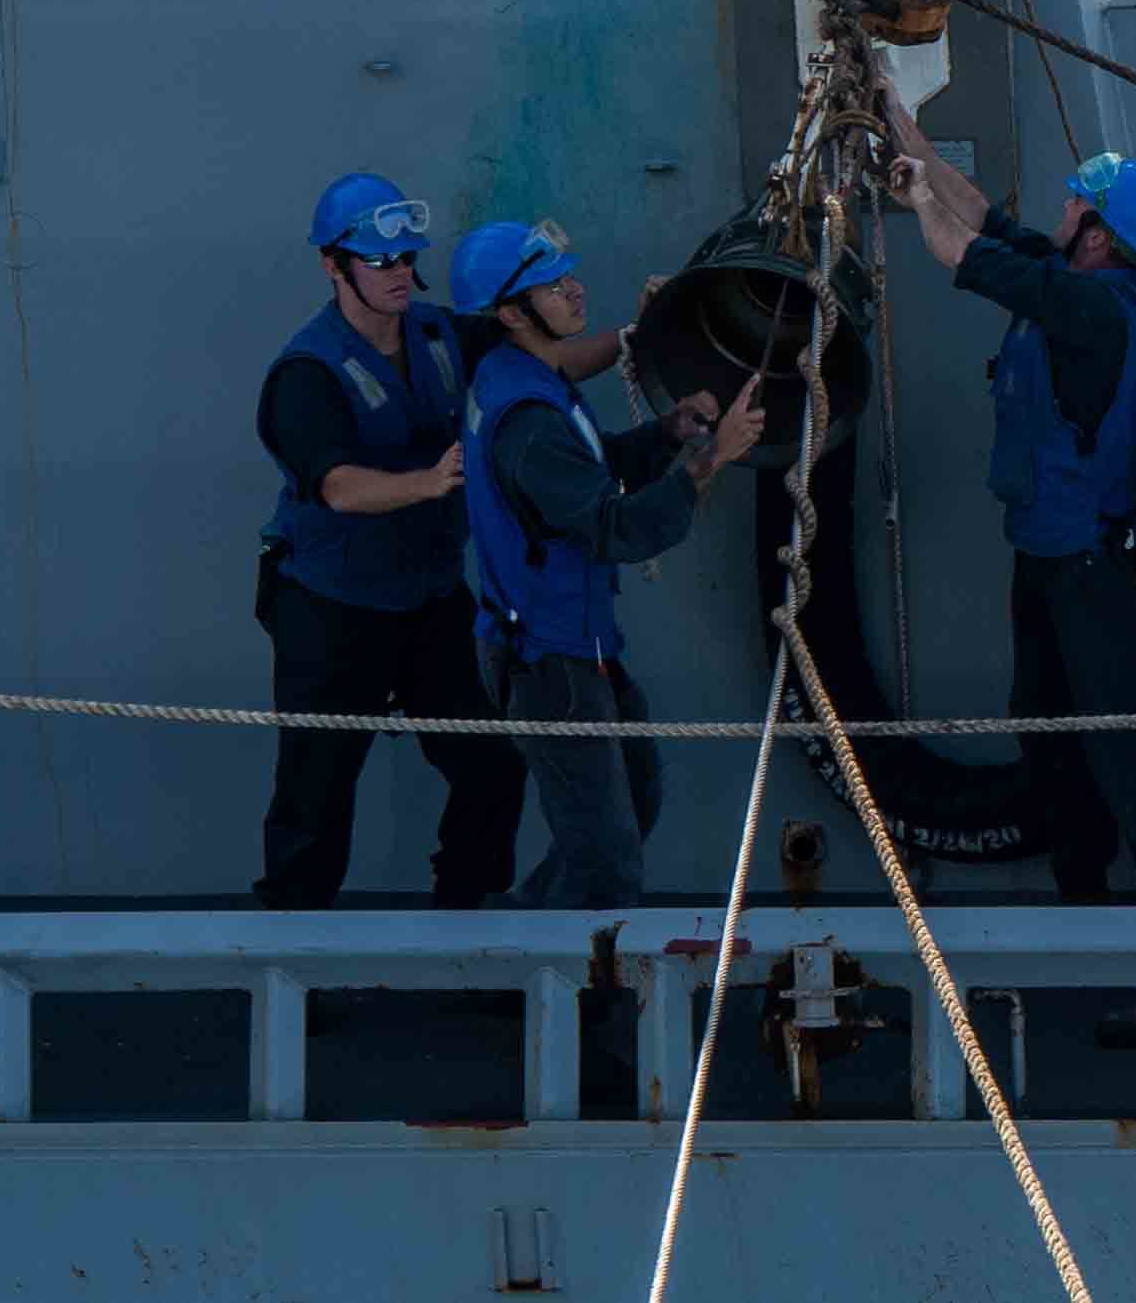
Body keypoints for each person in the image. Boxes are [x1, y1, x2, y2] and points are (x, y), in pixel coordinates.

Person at [913, 149, 1136, 920]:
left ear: (1095, 232)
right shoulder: (1081, 282)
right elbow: (982, 217)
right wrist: (892, 115)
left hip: (1093, 571)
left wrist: (912, 195)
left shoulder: (1088, 309)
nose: (1062, 207)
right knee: (1050, 736)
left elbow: (959, 248)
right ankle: (1088, 918)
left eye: (1074, 201)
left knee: (1133, 758)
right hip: (1050, 558)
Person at [447, 218, 767, 912]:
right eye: (552, 285)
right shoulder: (527, 417)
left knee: (630, 802)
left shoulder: (517, 376)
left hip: (572, 643)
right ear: (511, 313)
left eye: (568, 275)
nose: (573, 289)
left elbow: (585, 478)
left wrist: (665, 434)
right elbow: (613, 529)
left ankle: (520, 948)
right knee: (607, 863)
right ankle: (580, 1008)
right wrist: (713, 457)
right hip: (549, 660)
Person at [249, 173, 522, 908]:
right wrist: (431, 482)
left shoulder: (436, 333)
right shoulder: (305, 373)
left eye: (407, 259)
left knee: (491, 767)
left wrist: (634, 340)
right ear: (333, 266)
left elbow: (538, 354)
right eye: (380, 261)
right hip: (332, 608)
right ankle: (293, 972)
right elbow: (337, 486)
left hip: (429, 599)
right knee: (316, 793)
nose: (400, 273)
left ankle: (465, 928)